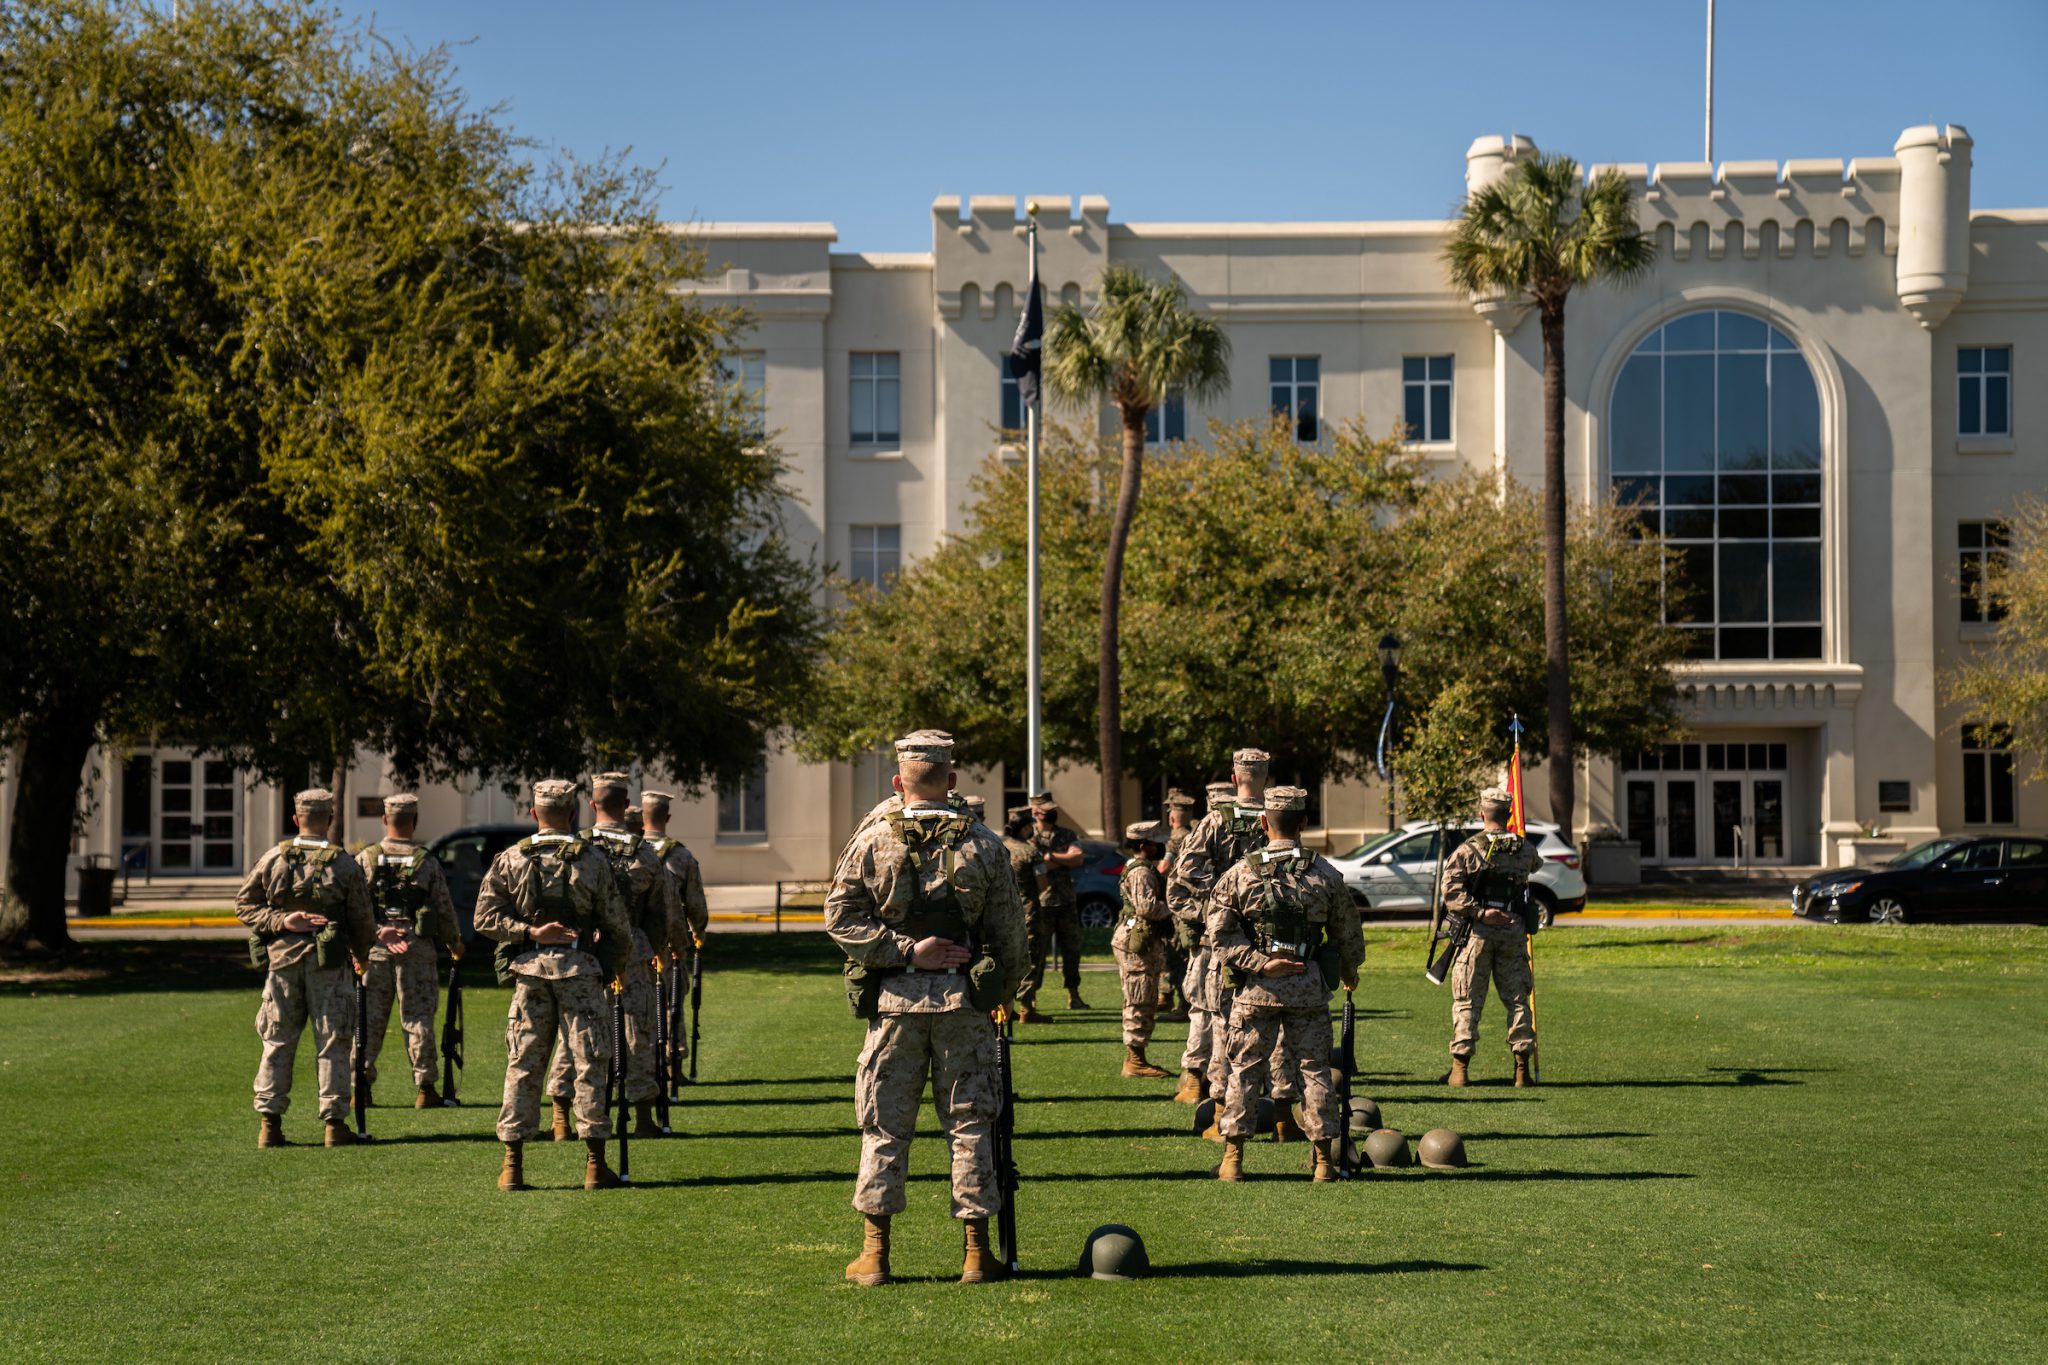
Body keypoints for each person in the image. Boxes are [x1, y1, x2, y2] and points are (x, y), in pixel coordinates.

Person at [827, 731, 1028, 1286]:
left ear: (898, 781)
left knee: (884, 1125)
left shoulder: (871, 840)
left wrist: (902, 951)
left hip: (894, 1004)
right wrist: (1002, 992)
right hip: (964, 1004)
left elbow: (840, 917)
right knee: (970, 1124)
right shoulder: (985, 844)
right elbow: (1012, 937)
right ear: (953, 780)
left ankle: (875, 1255)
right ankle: (975, 1253)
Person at [473, 778, 632, 1191]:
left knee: (523, 1065)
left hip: (529, 974)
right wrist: (612, 966)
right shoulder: (594, 860)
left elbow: (484, 920)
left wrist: (528, 932)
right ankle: (595, 1164)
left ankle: (513, 1164)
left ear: (533, 814)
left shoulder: (510, 859)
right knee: (590, 1063)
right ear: (574, 813)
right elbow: (618, 925)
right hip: (580, 971)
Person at [1206, 786, 1364, 1182]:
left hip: (1257, 988)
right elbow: (1348, 934)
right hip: (1308, 985)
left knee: (1244, 1070)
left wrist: (1259, 962)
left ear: (1263, 822)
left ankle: (1232, 1161)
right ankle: (1324, 1163)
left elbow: (1219, 934)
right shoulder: (1326, 874)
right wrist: (1349, 969)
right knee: (1315, 1071)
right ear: (1305, 823)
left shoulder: (1240, 872)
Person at [236, 788, 406, 1148]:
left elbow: (245, 907)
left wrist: (282, 921)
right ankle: (334, 1124)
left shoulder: (273, 859)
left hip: (282, 963)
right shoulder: (344, 864)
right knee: (333, 1042)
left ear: (296, 819)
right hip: (329, 968)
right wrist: (362, 957)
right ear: (329, 821)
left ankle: (270, 1124)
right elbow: (362, 920)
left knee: (277, 1041)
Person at [548, 772, 684, 1140]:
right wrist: (655, 947)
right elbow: (664, 910)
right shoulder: (644, 852)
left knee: (574, 1034)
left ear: (591, 805)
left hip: (583, 952)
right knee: (637, 1033)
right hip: (633, 952)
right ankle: (642, 1117)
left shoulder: (573, 848)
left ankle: (561, 1116)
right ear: (626, 805)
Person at [1167, 752, 1271, 1112]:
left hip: (1220, 940)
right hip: (1264, 940)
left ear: (1234, 777)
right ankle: (1271, 1101)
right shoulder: (1277, 817)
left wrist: (1217, 905)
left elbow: (1185, 873)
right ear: (1266, 776)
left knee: (1218, 1017)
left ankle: (1219, 1099)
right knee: (1268, 1017)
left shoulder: (1214, 821)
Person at [357, 792, 461, 1109]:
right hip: (416, 947)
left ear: (385, 820)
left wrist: (371, 936)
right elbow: (443, 908)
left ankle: (359, 1086)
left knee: (369, 1020)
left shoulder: (366, 858)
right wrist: (454, 942)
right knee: (418, 1018)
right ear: (414, 820)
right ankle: (425, 1088)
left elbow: (355, 908)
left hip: (376, 948)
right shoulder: (426, 862)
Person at [1441, 787, 1544, 1088]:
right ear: (1509, 815)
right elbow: (1535, 865)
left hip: (1478, 931)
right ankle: (1522, 1070)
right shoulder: (1523, 849)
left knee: (1467, 999)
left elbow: (1451, 892)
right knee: (1517, 998)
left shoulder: (1469, 849)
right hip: (1512, 928)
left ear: (1481, 814)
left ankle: (1459, 1070)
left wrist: (1480, 912)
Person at [640, 787, 710, 1075]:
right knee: (672, 1004)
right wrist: (698, 931)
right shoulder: (680, 856)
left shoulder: (630, 852)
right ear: (667, 816)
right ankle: (673, 1065)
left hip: (635, 943)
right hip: (671, 943)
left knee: (639, 1004)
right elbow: (695, 903)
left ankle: (641, 1064)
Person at [1112, 820, 1174, 1079]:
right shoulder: (1141, 872)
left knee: (1143, 998)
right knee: (1139, 999)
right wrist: (1176, 908)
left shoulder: (1140, 868)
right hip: (1136, 945)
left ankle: (1137, 1057)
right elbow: (1147, 908)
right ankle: (1135, 1061)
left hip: (1138, 942)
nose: (1161, 846)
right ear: (1142, 846)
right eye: (1155, 843)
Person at [1021, 792, 1088, 1012]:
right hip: (1041, 905)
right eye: (1046, 809)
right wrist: (1061, 860)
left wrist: (1050, 858)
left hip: (1066, 902)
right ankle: (1029, 1001)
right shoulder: (1028, 837)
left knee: (1072, 951)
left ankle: (1074, 995)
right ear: (1035, 811)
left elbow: (1078, 858)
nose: (1051, 813)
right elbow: (1031, 867)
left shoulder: (1066, 834)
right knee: (1036, 954)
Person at [999, 804, 1050, 1020]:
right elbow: (1043, 885)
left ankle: (1002, 1006)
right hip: (1028, 913)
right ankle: (1027, 1007)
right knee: (1030, 958)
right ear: (1025, 828)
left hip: (1001, 912)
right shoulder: (1031, 852)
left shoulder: (997, 847)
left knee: (1003, 958)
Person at [1157, 789, 1200, 1019]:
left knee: (1177, 957)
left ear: (1172, 817)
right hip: (1193, 903)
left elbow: (1164, 868)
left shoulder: (1175, 841)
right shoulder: (1196, 835)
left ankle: (1183, 1006)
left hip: (1177, 906)